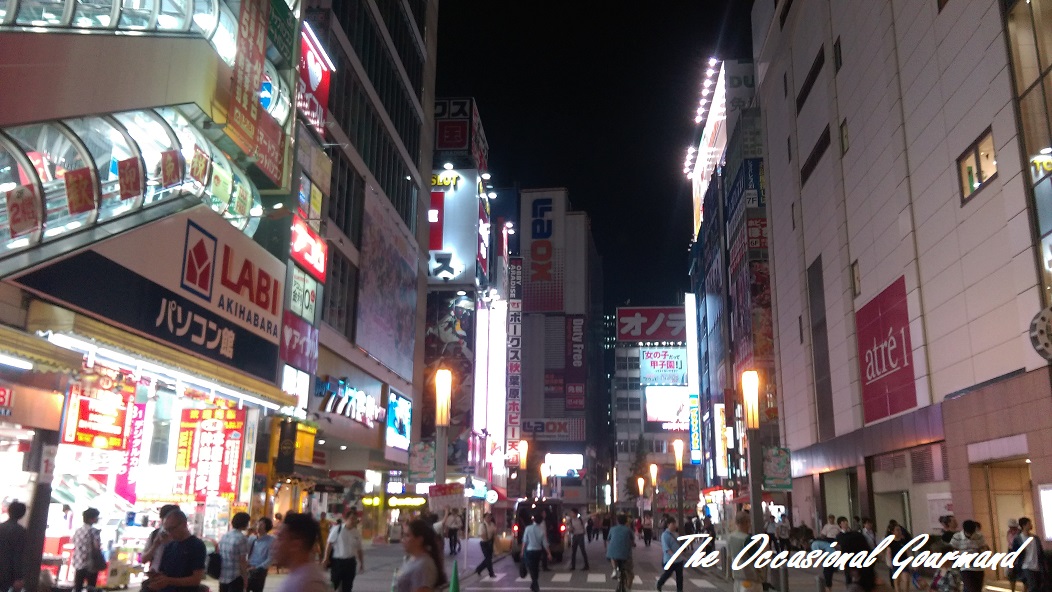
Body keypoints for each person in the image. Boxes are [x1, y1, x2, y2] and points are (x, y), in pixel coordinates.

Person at [147, 509, 206, 592]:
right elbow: (165, 572)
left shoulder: (196, 545)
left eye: (172, 528)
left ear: (184, 524)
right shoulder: (170, 545)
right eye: (166, 529)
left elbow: (196, 579)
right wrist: (156, 577)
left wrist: (168, 580)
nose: (169, 533)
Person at [271, 513, 330, 592]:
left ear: (296, 544)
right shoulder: (301, 577)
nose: (274, 545)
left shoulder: (308, 584)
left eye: (280, 538)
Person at [396, 519, 447, 592]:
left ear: (419, 540)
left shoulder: (423, 565)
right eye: (403, 535)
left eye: (407, 536)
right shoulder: (410, 558)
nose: (403, 540)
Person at [326, 510, 364, 592]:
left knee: (348, 587)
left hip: (350, 563)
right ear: (346, 519)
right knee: (333, 585)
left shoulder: (356, 533)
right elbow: (329, 543)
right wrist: (326, 559)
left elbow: (359, 549)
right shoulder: (337, 529)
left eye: (355, 519)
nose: (353, 521)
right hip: (338, 563)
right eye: (351, 518)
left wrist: (361, 563)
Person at [728, 512, 765, 592]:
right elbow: (758, 560)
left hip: (737, 577)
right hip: (750, 578)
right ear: (746, 523)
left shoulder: (730, 537)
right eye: (749, 522)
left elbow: (729, 557)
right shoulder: (747, 539)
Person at [217, 511, 251, 592]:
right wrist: (245, 578)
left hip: (223, 575)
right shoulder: (241, 538)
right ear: (244, 523)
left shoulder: (225, 536)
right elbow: (242, 561)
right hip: (235, 576)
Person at [952, 520, 989, 592]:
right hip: (965, 568)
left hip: (978, 567)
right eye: (968, 533)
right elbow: (952, 550)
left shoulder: (979, 536)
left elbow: (984, 548)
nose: (970, 535)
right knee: (971, 588)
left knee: (978, 589)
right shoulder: (957, 537)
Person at [73, 508, 104, 592]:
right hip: (91, 564)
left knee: (78, 587)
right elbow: (97, 547)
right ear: (91, 519)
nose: (97, 519)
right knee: (91, 588)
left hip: (78, 563)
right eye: (96, 517)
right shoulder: (94, 531)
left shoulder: (78, 531)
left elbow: (75, 543)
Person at [0, 501, 28, 592]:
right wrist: (18, 577)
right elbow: (18, 555)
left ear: (8, 511)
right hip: (7, 573)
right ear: (22, 514)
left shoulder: (1, 527)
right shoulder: (21, 531)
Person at [142, 504, 180, 569]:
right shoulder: (155, 534)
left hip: (174, 577)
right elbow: (143, 560)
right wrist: (155, 545)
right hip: (154, 576)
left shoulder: (181, 536)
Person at [523, 513, 551, 592]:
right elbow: (545, 543)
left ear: (533, 520)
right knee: (536, 567)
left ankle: (535, 584)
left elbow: (524, 541)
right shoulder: (541, 530)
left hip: (529, 550)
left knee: (532, 568)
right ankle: (534, 585)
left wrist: (522, 551)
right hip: (538, 551)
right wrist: (549, 553)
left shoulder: (528, 528)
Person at [246, 517, 275, 592]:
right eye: (257, 523)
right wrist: (247, 534)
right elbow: (244, 550)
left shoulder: (271, 541)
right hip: (248, 568)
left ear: (266, 527)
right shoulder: (252, 538)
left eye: (261, 524)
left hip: (260, 571)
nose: (258, 526)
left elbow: (270, 558)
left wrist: (258, 568)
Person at [606, 514, 635, 587]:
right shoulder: (628, 530)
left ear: (617, 521)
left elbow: (608, 539)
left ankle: (615, 569)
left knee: (613, 556)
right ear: (626, 521)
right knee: (629, 571)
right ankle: (629, 586)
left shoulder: (612, 529)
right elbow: (632, 541)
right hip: (625, 555)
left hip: (612, 553)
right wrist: (633, 545)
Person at [657, 518, 684, 592]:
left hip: (679, 559)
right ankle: (659, 583)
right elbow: (666, 548)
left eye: (675, 524)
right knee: (667, 574)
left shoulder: (676, 533)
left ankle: (679, 590)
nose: (674, 526)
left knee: (679, 576)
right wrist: (673, 555)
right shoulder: (664, 535)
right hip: (669, 559)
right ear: (668, 525)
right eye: (673, 524)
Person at [1017, 518, 1044, 592]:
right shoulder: (1018, 539)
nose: (1031, 525)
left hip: (1036, 566)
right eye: (1029, 524)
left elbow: (1040, 552)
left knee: (1038, 586)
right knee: (1032, 586)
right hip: (1026, 565)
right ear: (1024, 526)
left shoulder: (1035, 538)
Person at [473, 513, 497, 578]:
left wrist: (493, 542)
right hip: (484, 543)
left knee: (488, 558)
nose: (489, 518)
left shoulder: (492, 524)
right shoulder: (482, 525)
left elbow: (494, 533)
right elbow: (482, 534)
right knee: (488, 558)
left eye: (490, 517)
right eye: (487, 517)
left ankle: (479, 569)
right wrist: (487, 540)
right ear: (484, 518)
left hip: (490, 542)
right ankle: (491, 573)